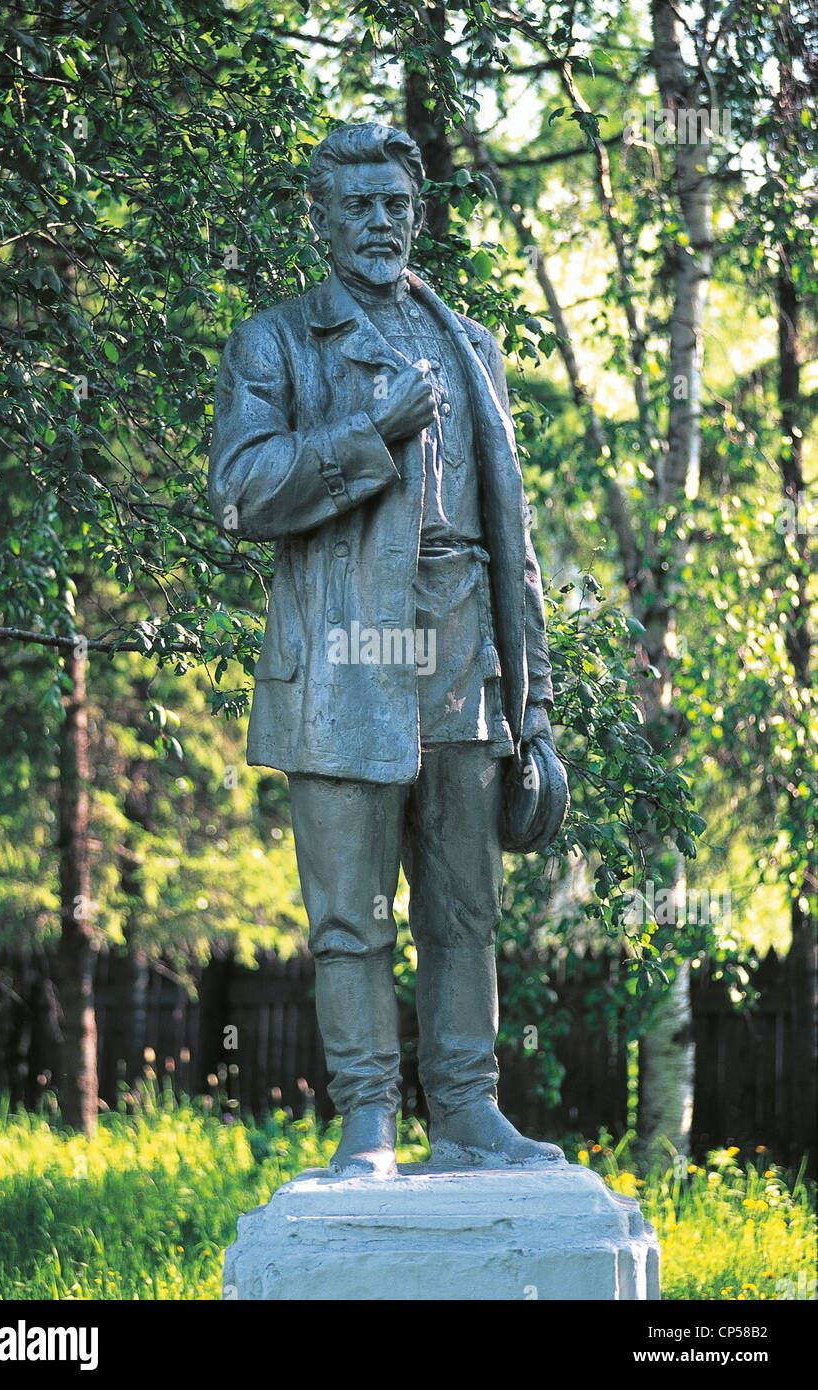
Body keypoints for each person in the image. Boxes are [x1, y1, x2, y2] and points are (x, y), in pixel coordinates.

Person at [209, 122, 566, 1177]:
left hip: (463, 659)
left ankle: (464, 1110)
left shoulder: (470, 342)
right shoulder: (274, 341)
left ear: (417, 214)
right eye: (356, 204)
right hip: (340, 663)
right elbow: (238, 493)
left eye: (395, 205)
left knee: (463, 905)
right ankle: (367, 1119)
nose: (378, 222)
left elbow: (517, 539)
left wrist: (533, 702)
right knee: (350, 917)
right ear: (319, 218)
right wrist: (368, 430)